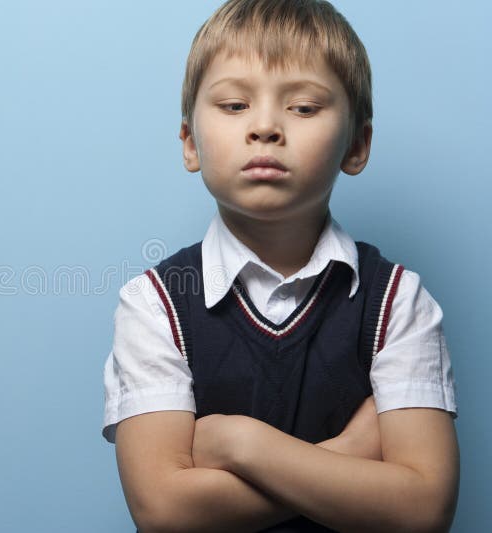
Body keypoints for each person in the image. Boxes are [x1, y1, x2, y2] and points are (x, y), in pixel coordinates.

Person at [100, 1, 459, 531]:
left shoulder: (398, 301)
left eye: (305, 108)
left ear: (356, 146)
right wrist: (349, 452)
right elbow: (165, 511)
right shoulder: (154, 304)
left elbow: (424, 511)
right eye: (234, 104)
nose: (265, 127)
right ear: (190, 142)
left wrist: (242, 444)